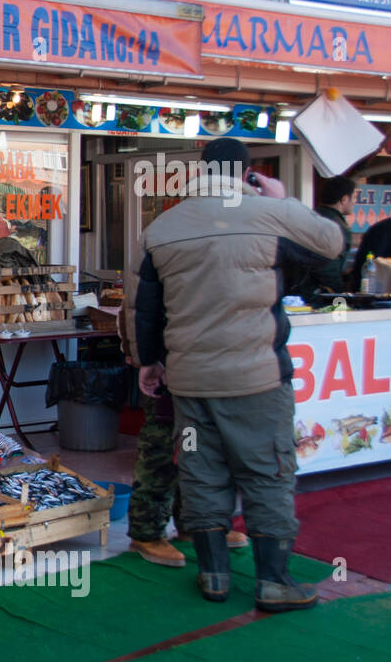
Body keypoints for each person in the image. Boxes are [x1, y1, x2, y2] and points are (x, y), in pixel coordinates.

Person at [134, 138, 343, 612]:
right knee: (268, 471)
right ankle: (273, 581)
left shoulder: (164, 226)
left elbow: (147, 308)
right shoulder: (269, 213)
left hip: (188, 380)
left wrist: (149, 361)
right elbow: (332, 243)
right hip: (256, 380)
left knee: (201, 473)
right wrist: (282, 197)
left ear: (201, 171)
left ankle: (214, 577)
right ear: (247, 173)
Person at [120, 257, 248, 566]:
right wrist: (146, 357)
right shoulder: (165, 255)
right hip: (167, 368)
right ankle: (146, 533)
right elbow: (136, 312)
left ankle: (194, 524)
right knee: (160, 450)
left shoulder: (219, 259)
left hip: (208, 369)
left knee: (203, 452)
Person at [287, 176, 353, 297]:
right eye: (353, 198)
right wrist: (340, 292)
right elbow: (328, 268)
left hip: (292, 290)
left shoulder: (306, 217)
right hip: (317, 294)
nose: (354, 202)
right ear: (344, 199)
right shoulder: (337, 227)